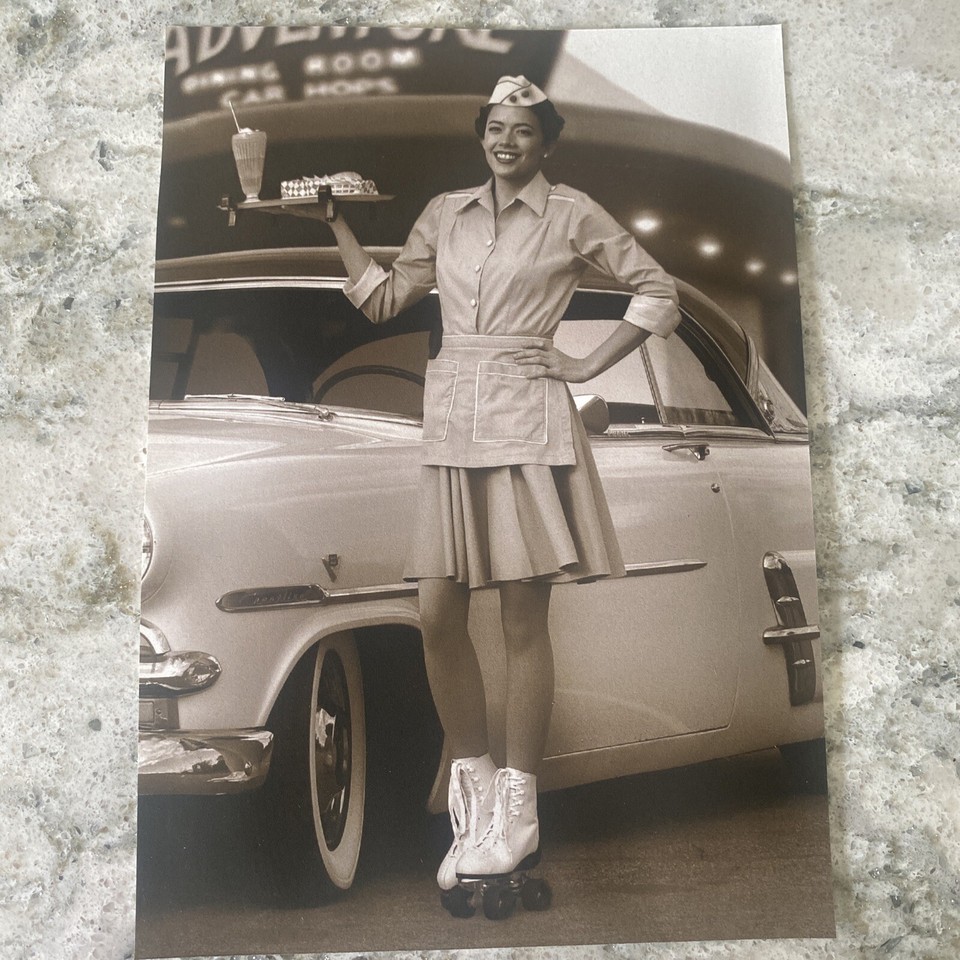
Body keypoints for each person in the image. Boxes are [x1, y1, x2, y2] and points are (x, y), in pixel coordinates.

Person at [320, 75, 679, 889]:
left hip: (525, 422)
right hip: (450, 424)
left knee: (521, 620)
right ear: (480, 134)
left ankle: (519, 811)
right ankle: (474, 797)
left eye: (522, 130)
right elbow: (383, 300)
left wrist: (585, 364)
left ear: (545, 142)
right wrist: (338, 224)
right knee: (437, 615)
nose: (505, 142)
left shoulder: (572, 213)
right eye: (494, 128)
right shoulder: (445, 212)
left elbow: (658, 290)